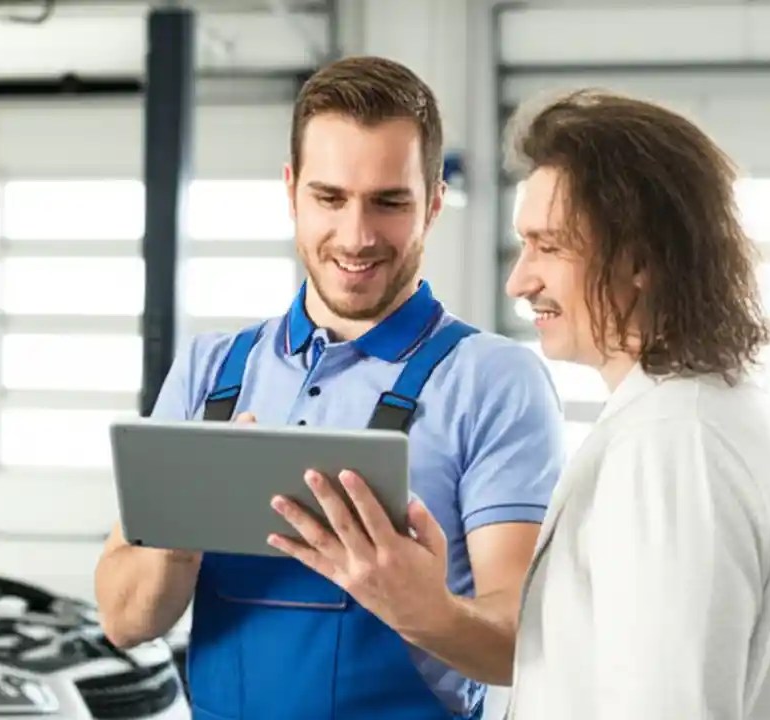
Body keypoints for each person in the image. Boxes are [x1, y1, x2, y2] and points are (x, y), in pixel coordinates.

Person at [93, 55, 564, 720]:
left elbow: (521, 643)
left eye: (389, 202)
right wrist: (182, 530)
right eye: (330, 198)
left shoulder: (493, 381)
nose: (357, 235)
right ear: (291, 192)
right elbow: (123, 620)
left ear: (432, 202)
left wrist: (422, 607)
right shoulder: (210, 373)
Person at [500, 89, 770, 719]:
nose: (520, 279)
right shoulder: (704, 414)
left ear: (641, 257)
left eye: (549, 245)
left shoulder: (673, 446)